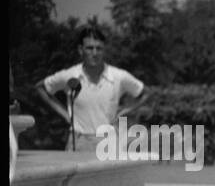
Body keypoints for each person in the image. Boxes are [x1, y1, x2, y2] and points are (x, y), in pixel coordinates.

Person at [35, 26, 145, 154]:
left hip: (109, 141)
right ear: (80, 50)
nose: (95, 53)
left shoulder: (119, 76)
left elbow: (145, 93)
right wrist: (65, 115)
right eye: (90, 48)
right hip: (79, 139)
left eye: (99, 48)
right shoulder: (70, 75)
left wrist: (125, 111)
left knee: (112, 175)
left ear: (104, 50)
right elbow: (41, 87)